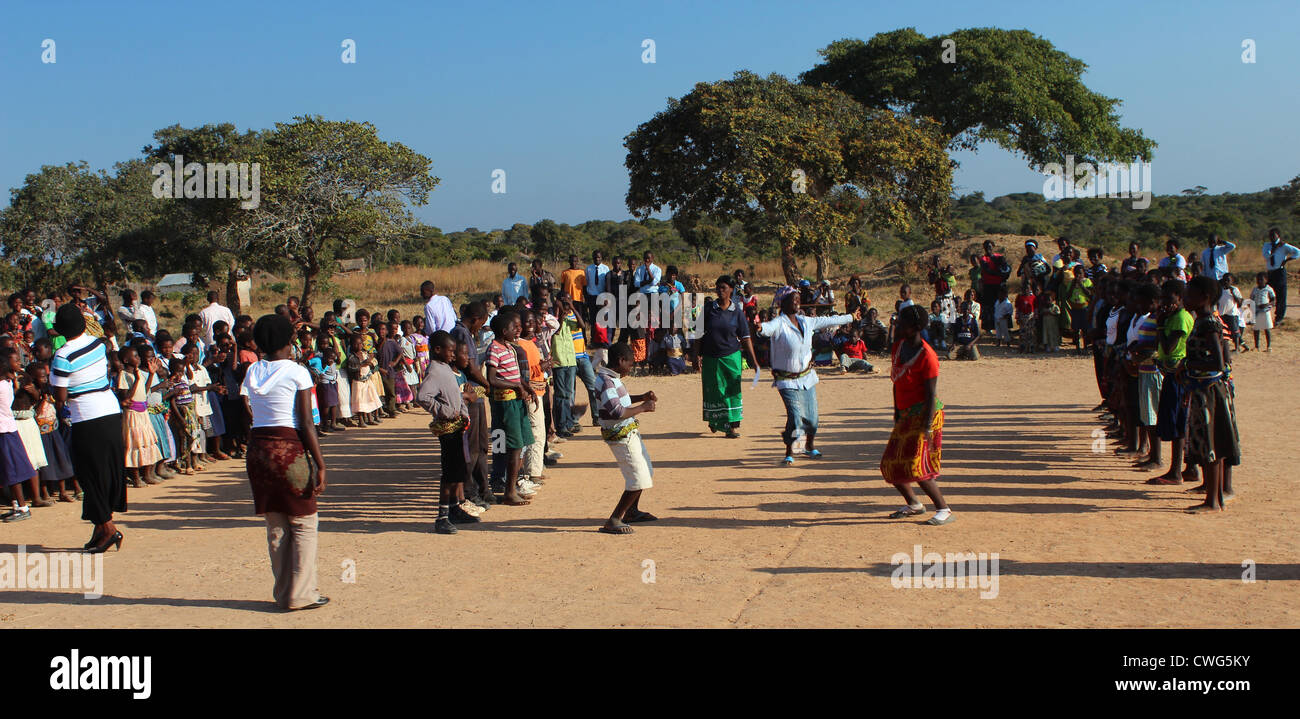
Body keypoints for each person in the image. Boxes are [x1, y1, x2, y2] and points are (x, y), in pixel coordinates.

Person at [240, 314, 328, 611]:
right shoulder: (297, 371)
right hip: (288, 449)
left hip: (258, 451)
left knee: (276, 524)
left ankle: (283, 593)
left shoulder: (253, 371)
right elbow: (305, 422)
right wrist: (320, 463)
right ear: (287, 340)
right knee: (303, 522)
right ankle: (303, 594)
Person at [48, 305, 127, 550]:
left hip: (87, 417)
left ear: (59, 330)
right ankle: (101, 529)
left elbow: (60, 396)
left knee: (89, 474)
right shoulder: (97, 344)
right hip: (111, 411)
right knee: (106, 472)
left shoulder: (62, 356)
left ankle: (109, 529)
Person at [756, 291, 856, 466]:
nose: (796, 302)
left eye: (797, 299)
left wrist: (851, 317)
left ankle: (808, 445)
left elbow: (830, 320)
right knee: (795, 416)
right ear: (783, 303)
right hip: (786, 380)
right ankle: (790, 451)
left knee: (812, 419)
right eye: (792, 299)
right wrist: (760, 328)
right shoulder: (779, 323)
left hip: (807, 377)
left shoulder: (806, 321)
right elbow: (767, 328)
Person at [881, 305, 952, 525]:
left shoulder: (928, 356)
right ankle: (914, 503)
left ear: (914, 328)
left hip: (926, 414)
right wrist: (896, 411)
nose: (897, 325)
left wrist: (927, 426)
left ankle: (944, 509)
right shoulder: (899, 347)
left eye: (901, 323)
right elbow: (896, 383)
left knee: (917, 465)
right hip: (906, 413)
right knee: (890, 464)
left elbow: (930, 395)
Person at [1181, 276, 1241, 513]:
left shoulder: (1209, 324)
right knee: (1208, 442)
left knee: (1211, 442)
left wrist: (1188, 365)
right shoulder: (1201, 321)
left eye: (1189, 294)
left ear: (1204, 297)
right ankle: (1213, 497)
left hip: (1209, 391)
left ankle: (1213, 501)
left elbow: (1219, 361)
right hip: (1202, 389)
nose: (1185, 298)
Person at [416, 331, 482, 534]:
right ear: (437, 350)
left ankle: (454, 508)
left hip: (458, 427)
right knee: (449, 474)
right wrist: (445, 411)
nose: (453, 354)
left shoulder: (445, 368)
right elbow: (423, 396)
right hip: (448, 430)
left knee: (459, 471)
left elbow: (454, 396)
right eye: (450, 351)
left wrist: (462, 411)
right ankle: (442, 516)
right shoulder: (435, 371)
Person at [594, 342, 658, 535]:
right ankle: (614, 518)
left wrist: (641, 397)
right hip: (620, 436)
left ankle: (631, 511)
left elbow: (619, 400)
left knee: (645, 471)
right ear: (621, 360)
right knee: (638, 477)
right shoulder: (606, 381)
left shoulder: (612, 378)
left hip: (628, 432)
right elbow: (616, 411)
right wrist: (643, 408)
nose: (631, 367)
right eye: (630, 364)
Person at [699, 275, 760, 438]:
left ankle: (731, 427)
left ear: (731, 290)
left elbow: (746, 338)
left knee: (732, 391)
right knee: (714, 391)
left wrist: (754, 361)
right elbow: (698, 333)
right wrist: (694, 355)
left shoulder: (737, 312)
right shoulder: (708, 309)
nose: (720, 290)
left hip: (731, 357)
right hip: (711, 357)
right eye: (718, 287)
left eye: (724, 288)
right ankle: (715, 421)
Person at [1147, 280, 1194, 485]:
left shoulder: (1180, 318)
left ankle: (1176, 471)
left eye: (1168, 298)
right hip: (1172, 373)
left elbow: (1169, 346)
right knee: (1178, 420)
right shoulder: (1174, 317)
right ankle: (1188, 468)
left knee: (1178, 422)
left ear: (1179, 296)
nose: (1165, 302)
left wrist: (1160, 324)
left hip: (1178, 376)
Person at [485, 309, 534, 506]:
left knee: (521, 443)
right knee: (513, 446)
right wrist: (516, 386)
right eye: (514, 328)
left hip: (517, 400)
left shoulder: (509, 348)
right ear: (504, 331)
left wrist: (526, 386)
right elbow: (492, 378)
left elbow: (515, 375)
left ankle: (512, 486)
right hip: (506, 403)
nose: (517, 330)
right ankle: (508, 490)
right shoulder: (494, 349)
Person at [117, 346, 163, 487]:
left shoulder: (138, 374)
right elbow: (126, 398)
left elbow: (145, 390)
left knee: (147, 442)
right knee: (134, 444)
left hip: (143, 413)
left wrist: (150, 375)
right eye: (135, 356)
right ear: (126, 360)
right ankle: (136, 478)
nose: (138, 358)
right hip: (132, 415)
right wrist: (137, 380)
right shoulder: (123, 375)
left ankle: (147, 474)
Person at [1262, 228, 1298, 322]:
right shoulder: (1267, 245)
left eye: (1273, 235)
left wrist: (1287, 260)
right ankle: (1265, 315)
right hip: (1270, 272)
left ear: (1278, 235)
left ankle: (1279, 317)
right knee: (1267, 293)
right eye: (1270, 235)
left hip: (1279, 271)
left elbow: (1298, 252)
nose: (1271, 237)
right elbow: (1266, 256)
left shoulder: (1284, 246)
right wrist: (1274, 249)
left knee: (1281, 295)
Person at [978, 240, 1009, 331]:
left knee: (1002, 305)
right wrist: (1000, 273)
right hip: (988, 285)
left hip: (999, 285)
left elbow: (1006, 268)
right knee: (989, 306)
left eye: (990, 246)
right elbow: (987, 270)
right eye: (986, 246)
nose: (988, 248)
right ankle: (989, 327)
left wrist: (1003, 273)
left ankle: (1004, 326)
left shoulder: (999, 256)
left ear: (993, 247)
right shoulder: (983, 259)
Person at [1250, 271, 1276, 351]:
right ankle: (1256, 346)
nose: (1259, 281)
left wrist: (1267, 304)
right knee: (1256, 329)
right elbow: (1251, 299)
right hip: (1257, 310)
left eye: (1261, 280)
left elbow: (1274, 300)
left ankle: (1269, 346)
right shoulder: (1255, 289)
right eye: (1258, 280)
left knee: (1266, 328)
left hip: (1265, 311)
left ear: (1266, 280)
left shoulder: (1268, 289)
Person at [584, 250, 610, 324]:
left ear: (601, 258)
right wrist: (586, 298)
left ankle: (601, 335)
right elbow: (586, 283)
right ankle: (593, 335)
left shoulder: (606, 268)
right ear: (592, 258)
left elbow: (607, 283)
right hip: (591, 297)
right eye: (595, 257)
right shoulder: (588, 269)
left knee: (602, 318)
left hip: (602, 297)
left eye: (599, 257)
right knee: (592, 318)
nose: (597, 259)